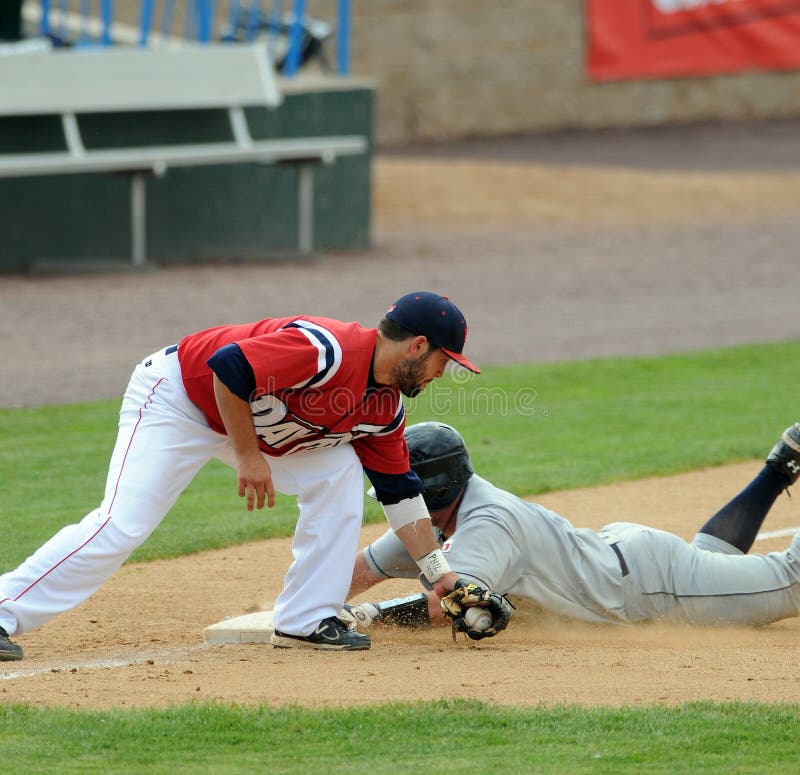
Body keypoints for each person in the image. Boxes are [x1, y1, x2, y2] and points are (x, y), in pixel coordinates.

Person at [0, 292, 483, 661]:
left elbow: (400, 493)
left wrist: (440, 575)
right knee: (122, 523)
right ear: (418, 346)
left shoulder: (383, 408)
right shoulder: (327, 349)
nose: (441, 373)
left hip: (252, 425)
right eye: (444, 360)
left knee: (338, 470)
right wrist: (249, 457)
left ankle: (306, 618)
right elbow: (228, 367)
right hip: (179, 401)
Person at [343, 421, 800, 633]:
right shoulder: (434, 520)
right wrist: (305, 607)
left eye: (406, 494)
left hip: (652, 587)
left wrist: (374, 616)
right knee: (712, 566)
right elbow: (363, 569)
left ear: (438, 490)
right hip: (629, 562)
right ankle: (780, 468)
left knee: (792, 581)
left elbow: (446, 606)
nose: (398, 506)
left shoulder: (487, 524)